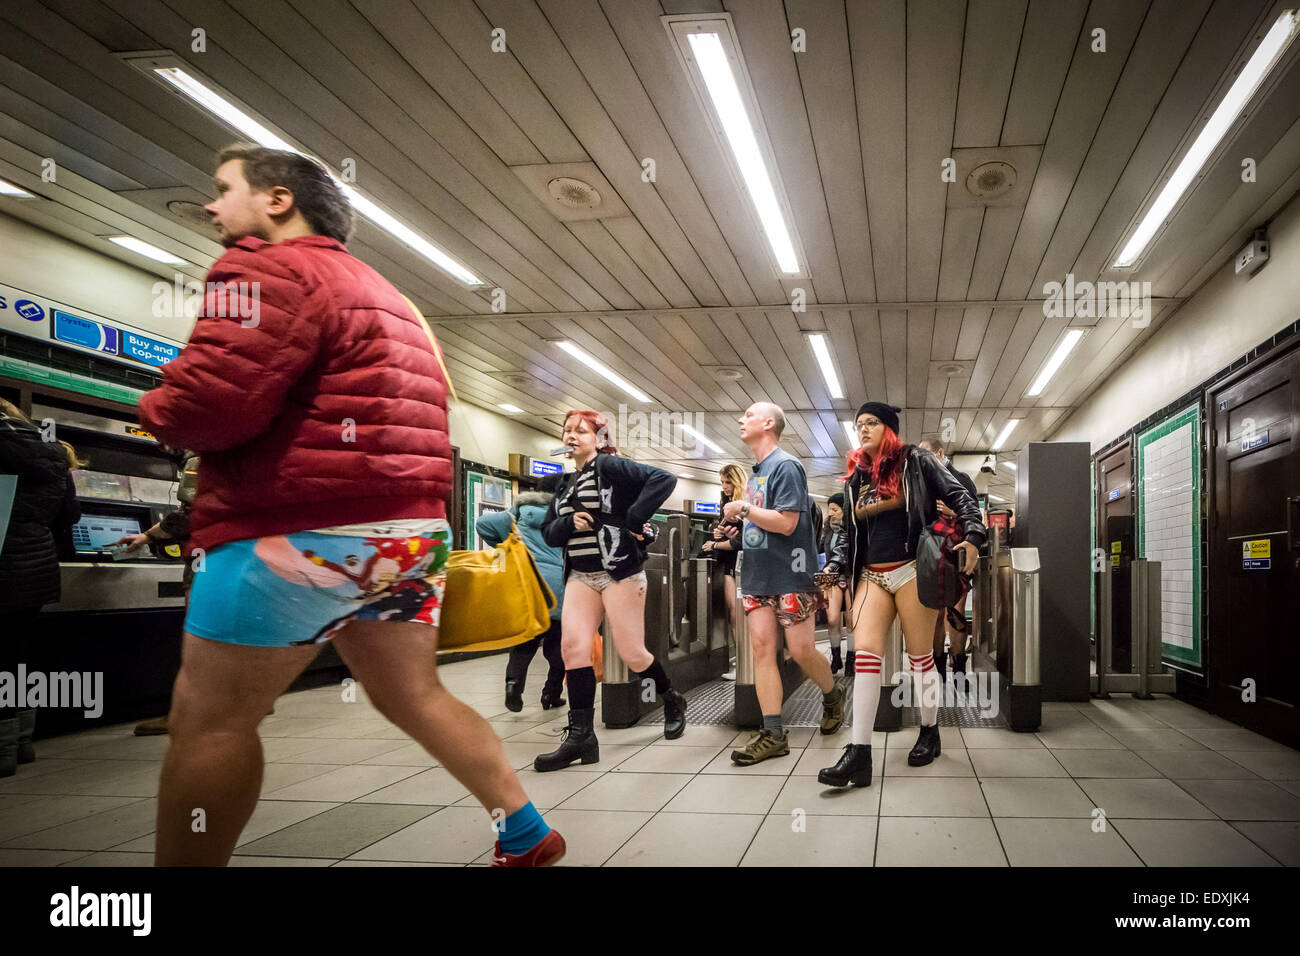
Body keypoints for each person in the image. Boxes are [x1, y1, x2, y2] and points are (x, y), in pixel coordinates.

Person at [136, 144, 563, 866]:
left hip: (297, 533)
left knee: (210, 723)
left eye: (222, 189)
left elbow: (212, 404)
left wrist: (153, 403)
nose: (211, 206)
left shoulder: (266, 266)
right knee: (415, 696)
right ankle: (522, 830)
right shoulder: (390, 297)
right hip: (406, 538)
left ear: (277, 199)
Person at [818, 403, 985, 788]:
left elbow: (960, 496)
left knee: (920, 657)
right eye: (858, 424)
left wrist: (974, 537)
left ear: (889, 428)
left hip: (912, 568)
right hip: (872, 576)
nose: (862, 429)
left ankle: (929, 731)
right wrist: (836, 565)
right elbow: (849, 533)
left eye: (871, 423)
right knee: (866, 657)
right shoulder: (855, 478)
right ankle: (859, 751)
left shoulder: (917, 461)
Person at [533, 410, 681, 771]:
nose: (571, 436)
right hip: (581, 576)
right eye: (567, 430)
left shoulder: (611, 466)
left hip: (620, 572)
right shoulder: (564, 483)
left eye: (580, 431)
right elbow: (550, 532)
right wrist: (569, 522)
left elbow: (664, 478)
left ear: (598, 438)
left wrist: (633, 520)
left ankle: (672, 698)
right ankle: (581, 737)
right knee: (573, 649)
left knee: (632, 653)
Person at [728, 402, 844, 766]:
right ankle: (773, 733)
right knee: (763, 650)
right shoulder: (755, 473)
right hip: (757, 576)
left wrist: (742, 509)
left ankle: (832, 695)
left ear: (768, 423)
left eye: (748, 415)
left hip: (790, 575)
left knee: (801, 650)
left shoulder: (786, 466)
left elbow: (787, 522)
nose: (741, 420)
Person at [0, 399, 80, 776]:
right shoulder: (56, 455)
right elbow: (70, 516)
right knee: (15, 656)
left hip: (4, 564)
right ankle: (21, 742)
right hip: (37, 568)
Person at [113, 448, 202, 736]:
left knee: (197, 639)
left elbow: (191, 514)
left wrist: (148, 535)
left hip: (208, 558)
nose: (160, 443)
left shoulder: (198, 456)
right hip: (242, 554)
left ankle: (184, 714)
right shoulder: (231, 445)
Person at [477, 474, 567, 712]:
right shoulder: (566, 515)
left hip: (528, 584)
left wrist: (506, 545)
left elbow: (482, 525)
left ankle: (513, 685)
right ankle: (551, 694)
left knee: (525, 642)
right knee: (558, 644)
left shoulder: (518, 514)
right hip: (559, 587)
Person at [918, 436, 979, 689]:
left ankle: (959, 669)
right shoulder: (923, 484)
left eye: (926, 454)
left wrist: (954, 513)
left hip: (957, 551)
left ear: (940, 453)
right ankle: (939, 669)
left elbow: (975, 514)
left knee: (955, 611)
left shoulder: (962, 479)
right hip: (932, 554)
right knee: (934, 613)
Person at [700, 464, 745, 678]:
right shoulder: (726, 504)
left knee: (737, 614)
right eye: (722, 482)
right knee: (735, 614)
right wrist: (718, 534)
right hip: (730, 564)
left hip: (738, 565)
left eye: (728, 482)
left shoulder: (742, 507)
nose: (725, 486)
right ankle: (744, 659)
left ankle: (745, 664)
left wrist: (715, 545)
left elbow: (740, 543)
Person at [820, 492, 849, 674]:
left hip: (851, 575)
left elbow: (842, 549)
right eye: (829, 509)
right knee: (832, 619)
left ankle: (852, 658)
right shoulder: (827, 529)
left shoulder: (851, 529)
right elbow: (821, 548)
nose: (831, 513)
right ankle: (836, 657)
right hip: (833, 576)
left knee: (853, 620)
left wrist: (831, 566)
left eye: (835, 509)